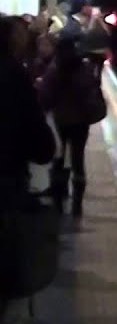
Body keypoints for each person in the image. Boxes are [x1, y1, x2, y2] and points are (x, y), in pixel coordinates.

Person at [38, 37, 103, 217]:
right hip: (81, 121)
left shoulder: (54, 70)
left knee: (58, 158)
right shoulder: (84, 68)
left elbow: (45, 97)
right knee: (78, 160)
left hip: (60, 121)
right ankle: (77, 205)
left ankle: (58, 200)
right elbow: (93, 89)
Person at [0, 17, 57, 211]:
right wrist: (43, 146)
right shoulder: (14, 71)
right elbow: (28, 116)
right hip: (9, 162)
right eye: (20, 34)